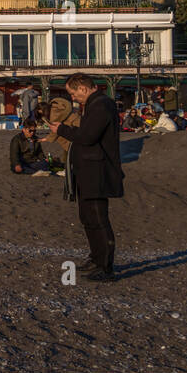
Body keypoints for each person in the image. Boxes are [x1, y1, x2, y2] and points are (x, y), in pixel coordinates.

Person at [51, 74, 123, 282]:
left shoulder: (101, 105)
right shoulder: (95, 104)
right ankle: (96, 257)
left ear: (82, 88)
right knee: (88, 217)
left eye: (73, 93)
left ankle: (105, 266)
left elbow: (88, 136)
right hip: (88, 170)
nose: (73, 98)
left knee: (98, 218)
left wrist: (62, 129)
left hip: (97, 171)